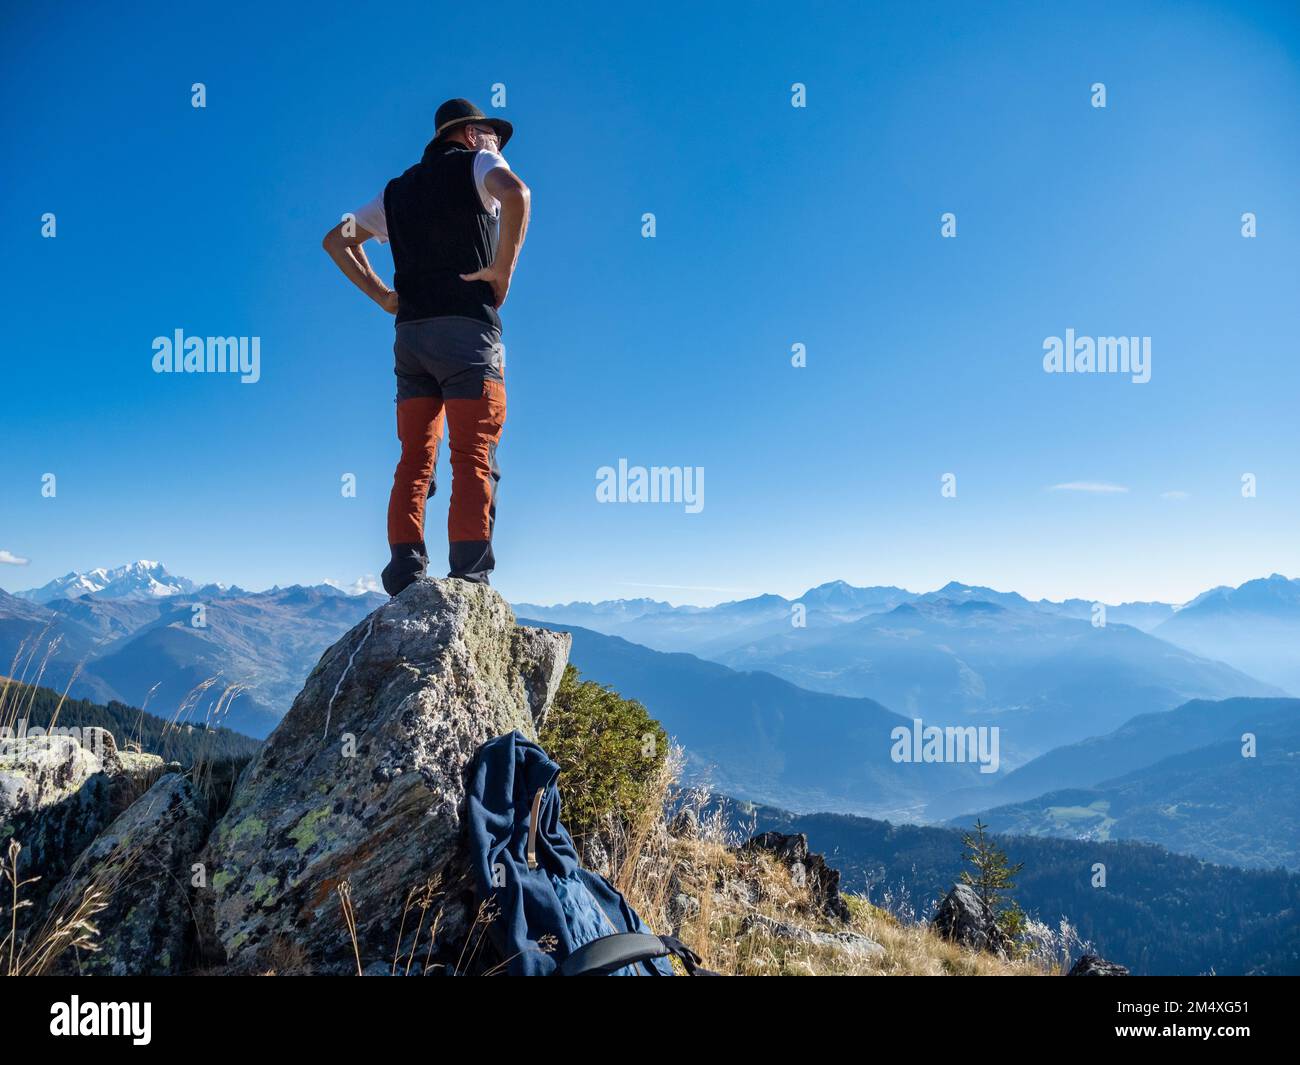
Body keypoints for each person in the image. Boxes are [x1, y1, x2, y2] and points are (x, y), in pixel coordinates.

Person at [322, 98, 531, 593]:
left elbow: (336, 240)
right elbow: (518, 194)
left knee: (415, 455)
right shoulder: (482, 163)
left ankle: (406, 570)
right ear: (468, 133)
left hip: (411, 339)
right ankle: (469, 575)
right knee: (474, 451)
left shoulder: (393, 194)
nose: (497, 142)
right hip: (467, 332)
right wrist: (503, 270)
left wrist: (383, 298)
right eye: (490, 132)